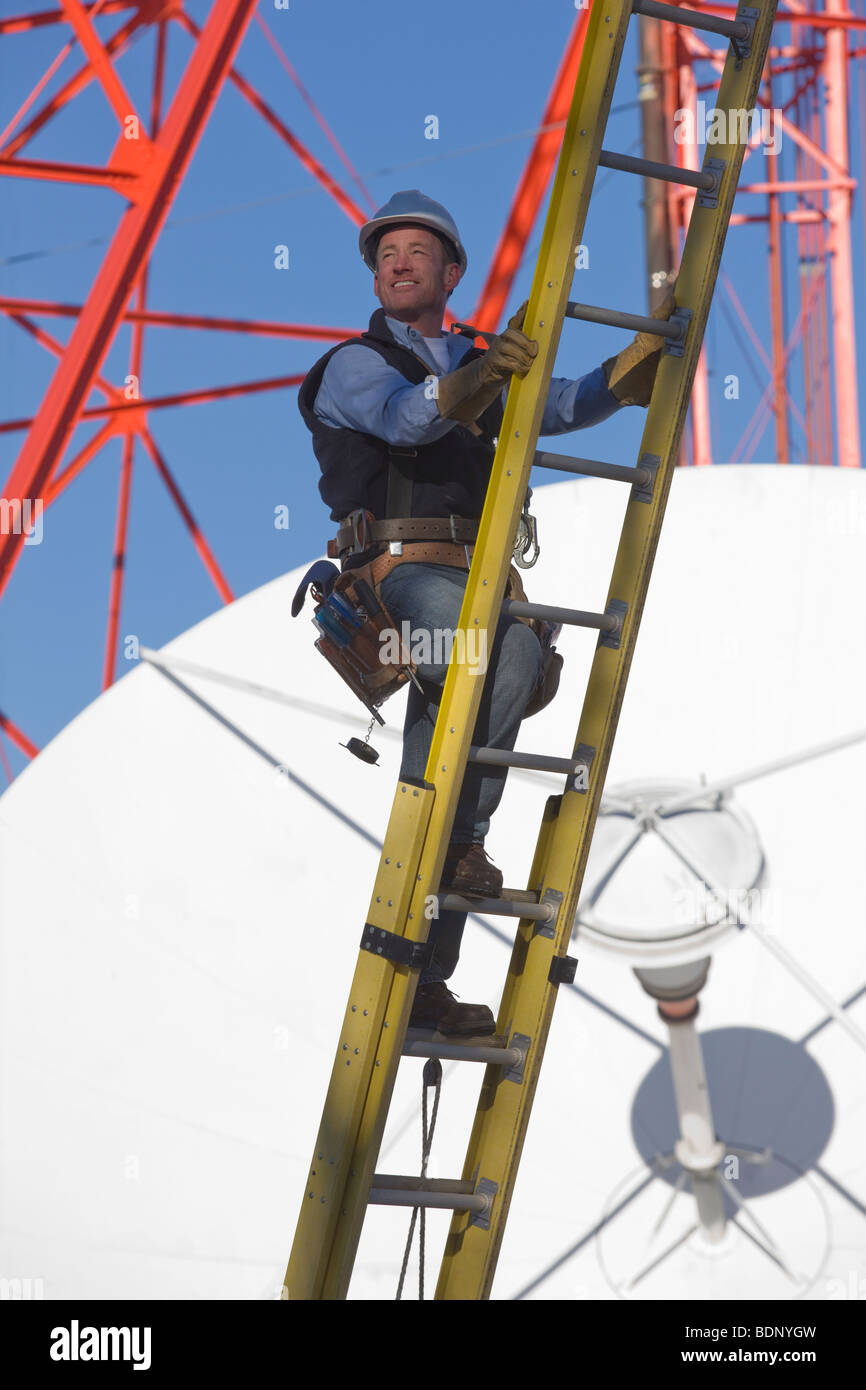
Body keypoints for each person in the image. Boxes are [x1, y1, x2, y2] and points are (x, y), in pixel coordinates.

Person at [297, 191, 675, 1036]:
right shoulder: (355, 364)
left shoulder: (478, 361)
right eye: (386, 253)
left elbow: (553, 411)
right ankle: (466, 842)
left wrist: (626, 372)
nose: (397, 264)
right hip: (400, 580)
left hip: (477, 579)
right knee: (493, 650)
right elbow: (409, 419)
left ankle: (424, 975)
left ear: (450, 272)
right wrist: (482, 376)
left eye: (415, 253)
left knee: (457, 733)